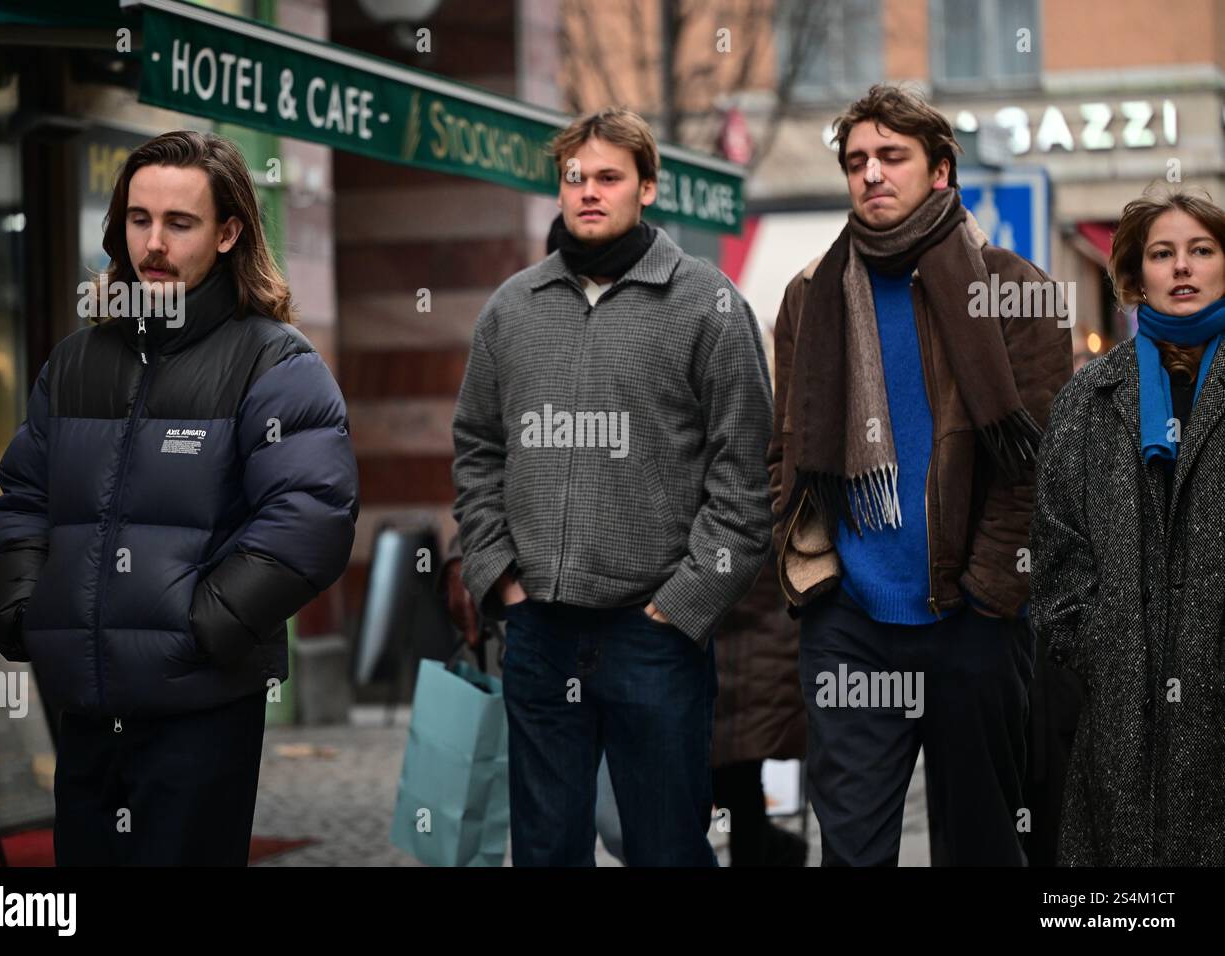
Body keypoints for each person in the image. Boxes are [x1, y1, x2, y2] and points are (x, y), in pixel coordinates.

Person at [0, 130, 359, 866]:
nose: (152, 243)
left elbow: (311, 513)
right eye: (138, 219)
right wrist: (28, 611)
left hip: (202, 707)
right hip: (89, 705)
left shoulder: (274, 361)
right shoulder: (75, 362)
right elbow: (24, 495)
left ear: (228, 233)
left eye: (178, 223)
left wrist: (205, 625)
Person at [451, 107, 772, 866]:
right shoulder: (511, 309)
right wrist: (501, 581)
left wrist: (681, 606)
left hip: (653, 637)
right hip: (539, 635)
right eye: (574, 177)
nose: (588, 192)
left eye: (608, 177)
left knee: (665, 849)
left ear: (648, 187)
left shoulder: (709, 305)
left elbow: (747, 476)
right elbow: (475, 450)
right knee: (545, 851)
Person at [769, 85, 1072, 866]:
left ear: (940, 170)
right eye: (857, 161)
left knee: (980, 847)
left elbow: (1036, 468)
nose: (871, 174)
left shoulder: (1016, 288)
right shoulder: (809, 297)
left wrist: (988, 593)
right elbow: (785, 450)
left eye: (891, 157)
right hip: (852, 626)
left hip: (973, 622)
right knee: (853, 851)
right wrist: (814, 574)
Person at [1031, 189, 1225, 865]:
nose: (1182, 268)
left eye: (1201, 251)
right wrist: (1105, 650)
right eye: (1162, 253)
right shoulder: (1089, 397)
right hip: (1120, 715)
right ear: (1136, 276)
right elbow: (1055, 552)